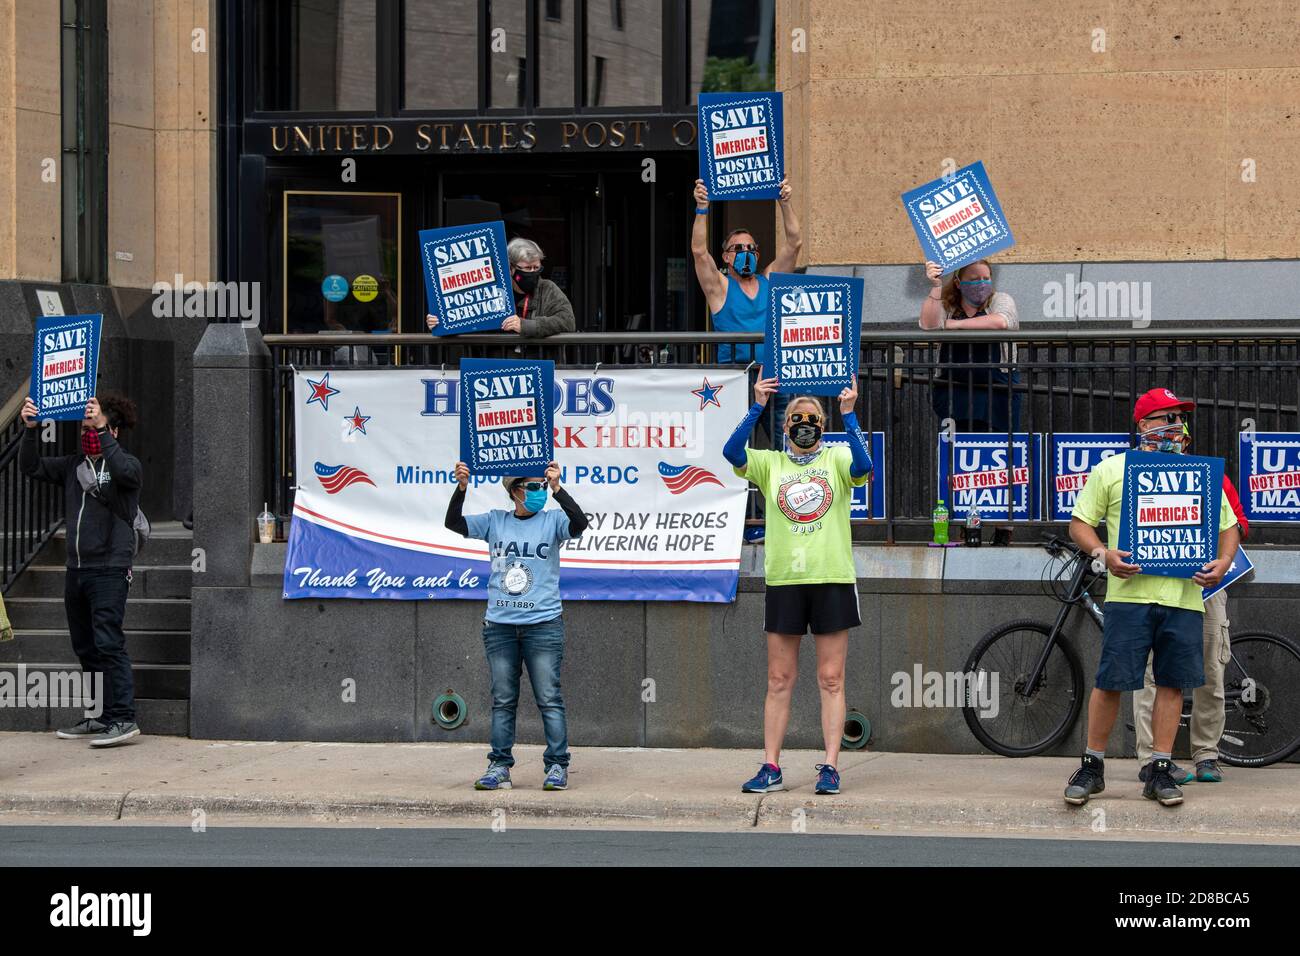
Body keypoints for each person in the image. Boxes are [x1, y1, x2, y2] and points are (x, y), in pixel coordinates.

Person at [1064, 388, 1238, 807]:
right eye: (1165, 417)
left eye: (1180, 418)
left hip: (1184, 597)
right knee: (1110, 683)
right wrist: (1102, 552)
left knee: (1172, 684)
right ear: (1143, 426)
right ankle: (1092, 765)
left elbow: (1228, 526)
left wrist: (1224, 560)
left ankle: (1160, 770)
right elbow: (1079, 524)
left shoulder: (1198, 474)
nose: (1175, 426)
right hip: (1129, 596)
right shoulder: (1112, 469)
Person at [723, 376, 872, 796]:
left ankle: (830, 765)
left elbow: (864, 467)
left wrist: (849, 415)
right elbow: (731, 452)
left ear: (822, 425)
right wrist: (757, 407)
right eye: (795, 419)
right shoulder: (772, 464)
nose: (804, 424)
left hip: (831, 578)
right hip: (786, 579)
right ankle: (771, 765)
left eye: (812, 419)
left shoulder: (838, 457)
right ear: (785, 426)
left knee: (831, 677)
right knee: (779, 677)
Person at [444, 461, 588, 791]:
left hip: (544, 626)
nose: (539, 492)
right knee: (503, 699)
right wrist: (462, 487)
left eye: (542, 486)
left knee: (549, 697)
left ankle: (556, 766)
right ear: (515, 491)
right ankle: (499, 766)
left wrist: (557, 489)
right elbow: (453, 523)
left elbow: (580, 523)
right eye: (533, 487)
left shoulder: (553, 520)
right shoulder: (495, 521)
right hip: (500, 627)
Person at [19, 393, 143, 747]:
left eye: (95, 427)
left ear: (113, 430)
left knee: (108, 642)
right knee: (85, 646)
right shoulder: (75, 465)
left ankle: (123, 718)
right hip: (77, 569)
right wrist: (30, 429)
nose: (87, 433)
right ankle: (100, 716)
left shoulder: (127, 466)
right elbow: (31, 467)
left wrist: (103, 430)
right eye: (85, 427)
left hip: (110, 568)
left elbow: (124, 473)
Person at [1133, 433, 1250, 785]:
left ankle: (1207, 756)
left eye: (1178, 432)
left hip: (1205, 587)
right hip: (1155, 586)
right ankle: (1151, 759)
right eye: (1164, 428)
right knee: (1152, 675)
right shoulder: (1132, 474)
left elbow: (1239, 524)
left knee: (1211, 671)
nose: (1172, 438)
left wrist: (1219, 552)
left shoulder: (1208, 474)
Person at [919, 258, 1021, 432]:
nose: (981, 283)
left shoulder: (1001, 299)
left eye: (986, 278)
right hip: (954, 392)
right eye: (974, 279)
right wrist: (936, 285)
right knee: (955, 450)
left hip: (997, 392)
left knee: (998, 444)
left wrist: (954, 325)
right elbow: (929, 326)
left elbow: (1002, 322)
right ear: (958, 283)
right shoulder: (947, 305)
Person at [427, 237, 575, 337]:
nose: (533, 273)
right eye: (527, 268)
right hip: (495, 369)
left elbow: (567, 321)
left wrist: (526, 326)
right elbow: (466, 321)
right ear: (510, 268)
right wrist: (442, 321)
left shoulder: (548, 289)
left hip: (536, 368)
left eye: (536, 267)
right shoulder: (489, 289)